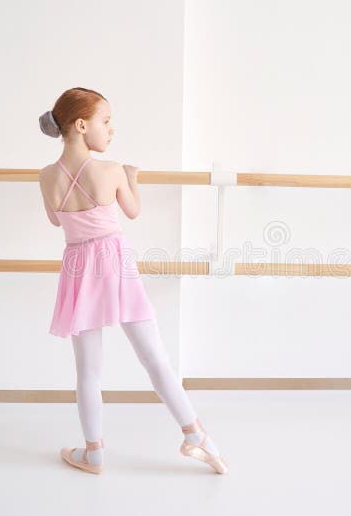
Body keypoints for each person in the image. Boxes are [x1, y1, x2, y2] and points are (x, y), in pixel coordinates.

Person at [37, 87, 227, 475]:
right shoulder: (111, 171)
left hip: (78, 269)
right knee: (154, 357)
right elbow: (133, 210)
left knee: (88, 371)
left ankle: (94, 453)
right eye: (106, 121)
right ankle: (196, 435)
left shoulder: (47, 176)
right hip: (114, 264)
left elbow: (56, 220)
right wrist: (133, 178)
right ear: (81, 125)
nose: (111, 129)